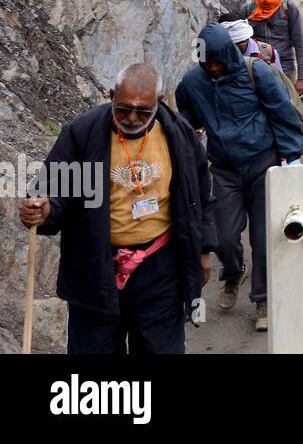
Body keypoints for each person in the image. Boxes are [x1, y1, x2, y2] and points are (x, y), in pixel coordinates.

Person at [19, 63, 215, 354]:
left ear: (159, 102)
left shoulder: (179, 134)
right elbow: (54, 190)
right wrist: (45, 210)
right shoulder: (83, 133)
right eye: (123, 108)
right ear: (110, 95)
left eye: (143, 111)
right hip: (96, 267)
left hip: (160, 267)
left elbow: (199, 194)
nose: (132, 118)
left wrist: (203, 250)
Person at [175, 24, 303, 332]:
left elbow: (282, 113)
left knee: (263, 235)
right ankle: (232, 273)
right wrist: (189, 130)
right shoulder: (193, 83)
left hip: (263, 163)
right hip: (223, 168)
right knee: (223, 234)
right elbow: (185, 115)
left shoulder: (256, 72)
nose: (214, 68)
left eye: (218, 61)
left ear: (227, 54)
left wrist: (292, 158)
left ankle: (263, 300)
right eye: (207, 63)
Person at [245, 0, 303, 96]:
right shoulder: (249, 10)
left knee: (288, 110)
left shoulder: (288, 8)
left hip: (285, 70)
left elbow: (300, 42)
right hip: (258, 69)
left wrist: (302, 77)